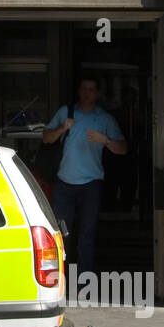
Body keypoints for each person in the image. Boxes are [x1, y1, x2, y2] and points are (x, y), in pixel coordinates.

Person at [42, 76, 127, 275]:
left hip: (91, 184)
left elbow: (123, 149)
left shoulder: (104, 118)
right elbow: (46, 138)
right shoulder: (66, 112)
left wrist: (104, 139)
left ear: (97, 93)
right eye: (84, 89)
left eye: (91, 89)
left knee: (87, 235)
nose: (87, 93)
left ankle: (83, 281)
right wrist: (63, 127)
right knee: (60, 234)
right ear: (79, 91)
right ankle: (57, 278)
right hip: (64, 182)